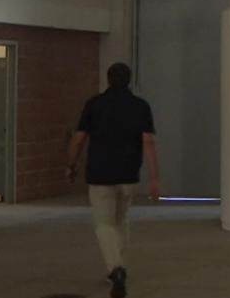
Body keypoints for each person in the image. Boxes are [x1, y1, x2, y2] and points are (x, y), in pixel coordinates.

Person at [66, 62, 160, 298]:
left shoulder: (94, 104)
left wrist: (71, 165)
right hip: (128, 174)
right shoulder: (141, 107)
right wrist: (155, 177)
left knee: (104, 224)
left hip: (99, 175)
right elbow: (149, 143)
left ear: (108, 79)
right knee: (121, 220)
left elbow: (78, 140)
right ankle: (117, 264)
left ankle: (116, 269)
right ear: (129, 80)